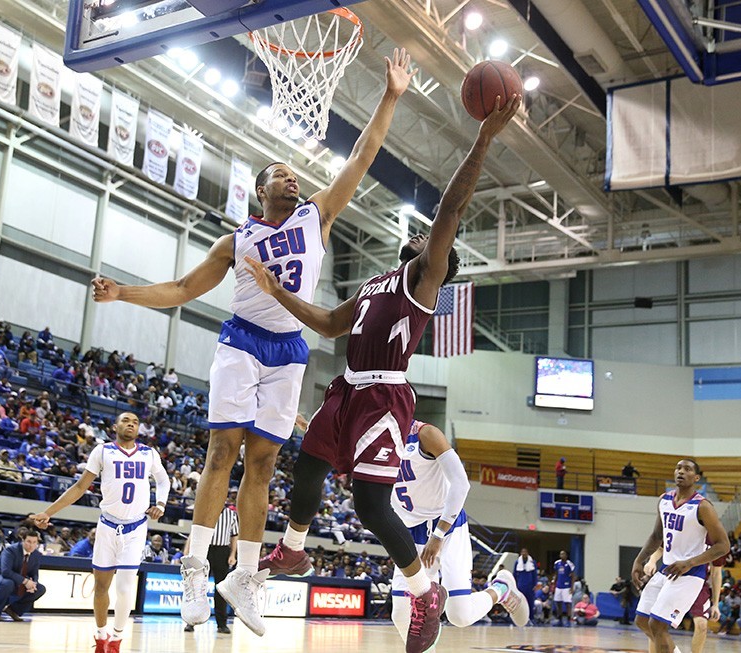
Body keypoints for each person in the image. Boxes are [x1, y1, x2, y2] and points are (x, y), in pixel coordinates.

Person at [90, 48, 416, 637]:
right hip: (242, 341)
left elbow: (362, 157)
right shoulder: (235, 241)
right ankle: (192, 568)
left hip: (290, 349)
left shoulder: (316, 217)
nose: (293, 176)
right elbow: (184, 288)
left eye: (295, 173)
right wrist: (123, 294)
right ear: (260, 191)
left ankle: (243, 578)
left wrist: (390, 96)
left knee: (263, 465)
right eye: (280, 173)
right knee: (223, 451)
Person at [248, 97, 520, 653]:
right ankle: (293, 547)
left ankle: (425, 595)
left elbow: (451, 210)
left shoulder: (423, 285)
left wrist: (485, 139)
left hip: (384, 395)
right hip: (348, 385)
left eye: (429, 242)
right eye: (420, 239)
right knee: (308, 463)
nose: (422, 236)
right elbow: (326, 323)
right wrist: (279, 293)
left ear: (436, 266)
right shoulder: (377, 284)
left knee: (370, 507)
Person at [34, 412, 168, 653]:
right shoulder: (103, 451)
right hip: (107, 526)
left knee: (126, 587)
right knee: (102, 586)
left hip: (136, 527)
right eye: (126, 420)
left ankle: (116, 638)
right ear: (115, 425)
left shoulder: (149, 453)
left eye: (136, 422)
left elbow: (163, 480)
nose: (131, 424)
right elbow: (79, 487)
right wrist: (49, 512)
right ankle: (101, 635)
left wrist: (160, 504)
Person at [382, 421, 527, 643]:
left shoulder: (425, 434)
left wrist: (439, 535)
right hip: (409, 530)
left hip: (446, 527)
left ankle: (501, 589)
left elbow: (461, 484)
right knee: (401, 614)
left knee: (459, 615)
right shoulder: (371, 437)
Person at [632, 459, 730, 653]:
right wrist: (638, 560)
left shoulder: (702, 506)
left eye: (687, 469)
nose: (681, 472)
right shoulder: (664, 500)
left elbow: (724, 545)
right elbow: (656, 536)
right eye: (678, 468)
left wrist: (689, 562)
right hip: (666, 569)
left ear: (696, 478)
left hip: (690, 573)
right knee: (642, 620)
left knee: (657, 625)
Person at [184, 500, 238, 635]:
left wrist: (233, 554)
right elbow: (194, 531)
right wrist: (187, 550)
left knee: (221, 589)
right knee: (196, 585)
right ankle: (190, 622)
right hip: (204, 549)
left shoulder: (231, 514)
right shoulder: (205, 509)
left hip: (222, 551)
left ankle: (222, 624)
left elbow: (234, 536)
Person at [0, 530, 45, 621]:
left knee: (40, 589)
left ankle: (13, 610)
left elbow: (34, 573)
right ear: (22, 540)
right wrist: (25, 581)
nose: (31, 545)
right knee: (8, 583)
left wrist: (33, 584)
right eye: (29, 542)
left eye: (34, 542)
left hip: (17, 578)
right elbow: (6, 571)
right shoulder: (11, 550)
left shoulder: (36, 554)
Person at [551, 550, 576, 626]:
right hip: (559, 586)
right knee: (558, 602)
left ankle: (568, 619)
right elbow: (556, 574)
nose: (562, 555)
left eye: (563, 554)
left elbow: (573, 576)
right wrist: (554, 585)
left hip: (566, 586)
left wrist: (572, 587)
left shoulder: (569, 564)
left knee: (567, 603)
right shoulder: (557, 563)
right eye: (561, 554)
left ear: (566, 555)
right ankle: (560, 618)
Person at [514, 548, 539, 625]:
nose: (524, 553)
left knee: (530, 602)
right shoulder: (517, 562)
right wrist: (514, 585)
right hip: (520, 585)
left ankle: (531, 618)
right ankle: (520, 619)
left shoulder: (532, 562)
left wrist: (535, 585)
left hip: (530, 586)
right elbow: (514, 574)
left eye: (525, 552)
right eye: (522, 552)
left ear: (527, 553)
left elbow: (535, 575)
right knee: (520, 602)